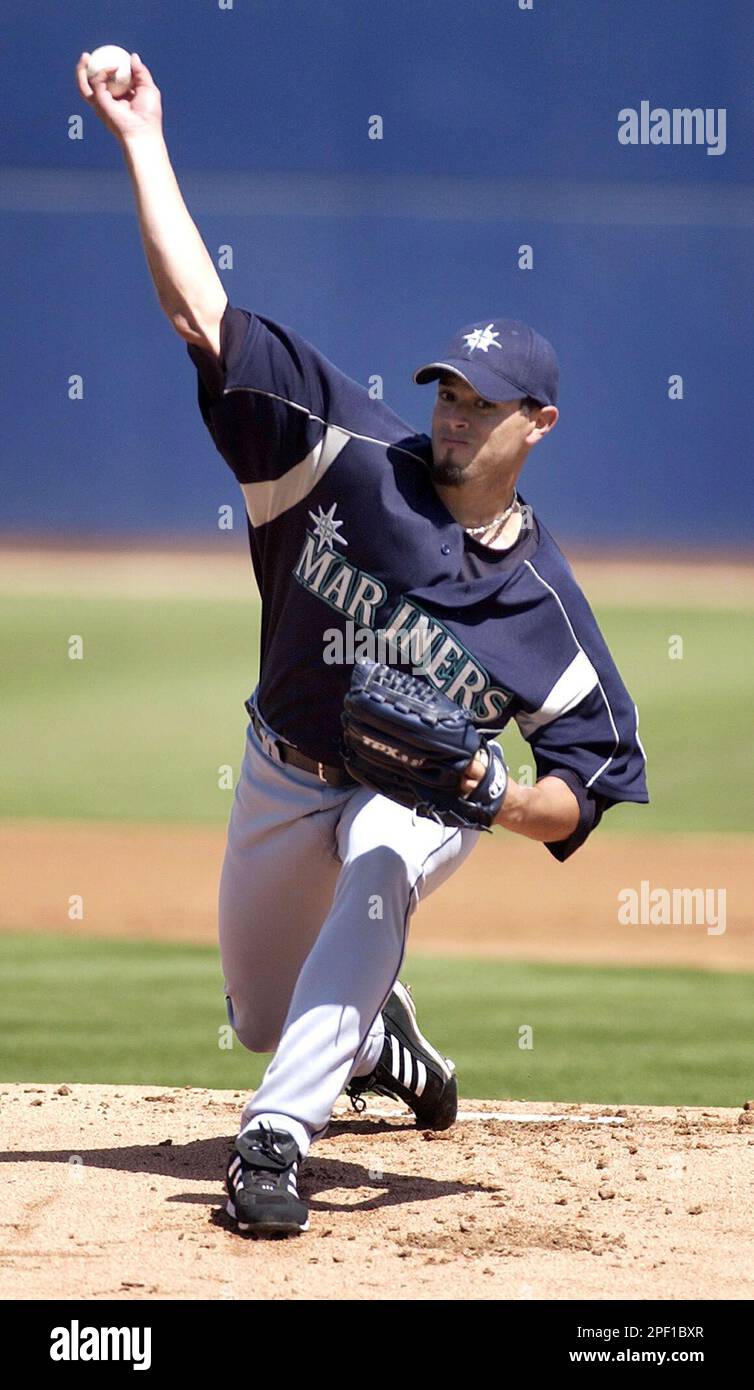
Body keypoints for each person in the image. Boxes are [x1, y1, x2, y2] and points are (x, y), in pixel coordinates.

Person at [76, 52, 648, 1238]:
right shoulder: (344, 455)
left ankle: (272, 1140)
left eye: (481, 404)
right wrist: (142, 139)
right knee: (257, 1010)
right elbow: (203, 315)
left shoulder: (540, 603)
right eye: (446, 392)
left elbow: (582, 789)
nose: (451, 414)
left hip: (420, 798)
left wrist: (491, 795)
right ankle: (374, 1035)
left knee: (390, 847)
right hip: (284, 764)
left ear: (536, 426)